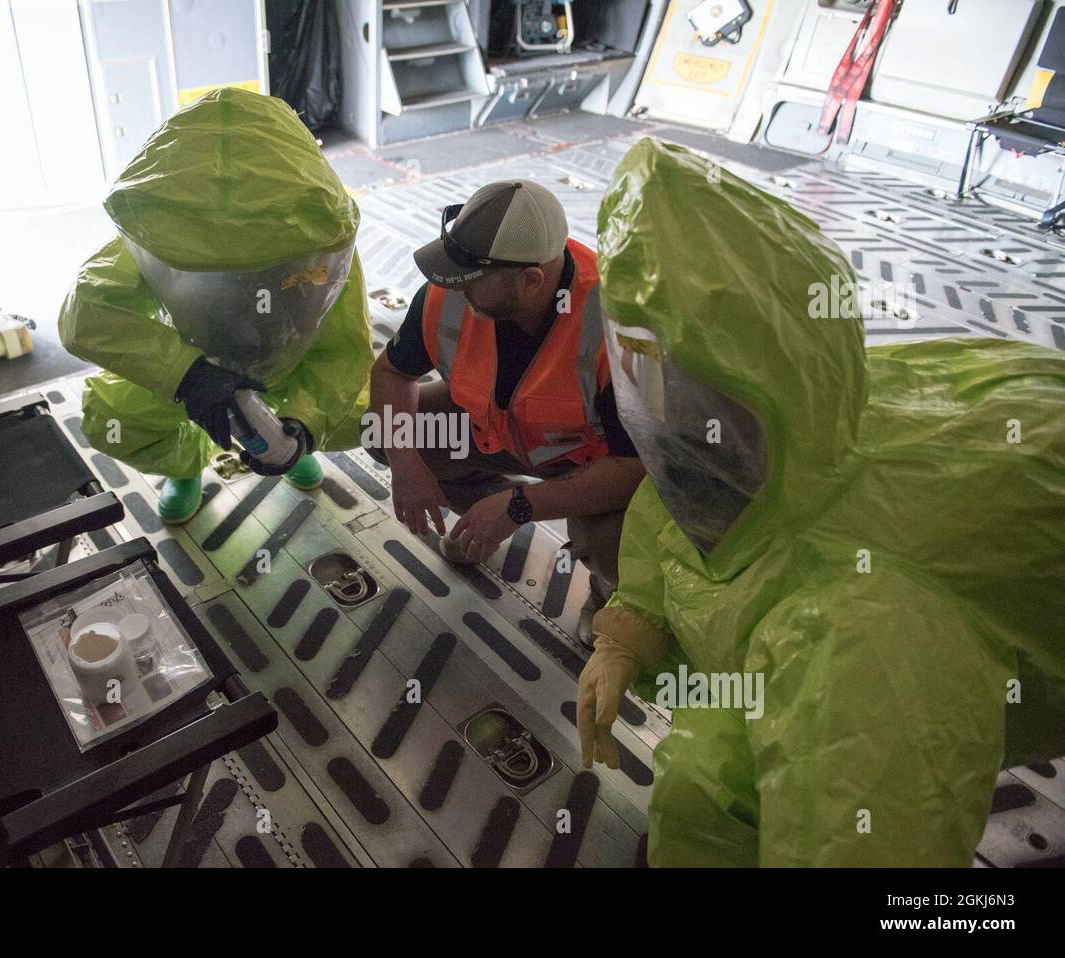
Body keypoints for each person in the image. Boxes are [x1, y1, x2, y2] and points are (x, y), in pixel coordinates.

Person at [579, 137, 1065, 866]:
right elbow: (679, 515)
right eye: (640, 361)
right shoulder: (795, 423)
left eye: (667, 371)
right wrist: (630, 628)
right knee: (700, 790)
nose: (655, 402)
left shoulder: (865, 640)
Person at [59, 87, 372, 522]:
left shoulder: (322, 246)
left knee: (369, 413)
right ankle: (186, 465)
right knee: (113, 422)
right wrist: (184, 375)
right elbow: (85, 314)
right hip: (190, 366)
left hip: (290, 369)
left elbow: (342, 352)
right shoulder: (154, 235)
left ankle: (292, 441)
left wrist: (305, 423)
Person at [368, 180, 645, 629]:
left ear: (530, 280)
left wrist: (523, 506)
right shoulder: (448, 292)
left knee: (622, 542)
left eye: (471, 282)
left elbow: (634, 469)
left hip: (588, 466)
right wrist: (405, 463)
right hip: (492, 432)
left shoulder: (615, 328)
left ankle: (608, 593)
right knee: (385, 432)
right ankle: (483, 517)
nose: (452, 289)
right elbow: (392, 374)